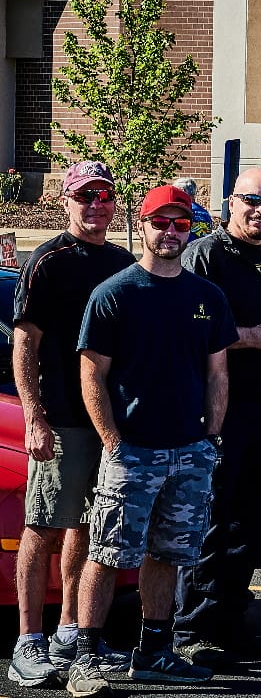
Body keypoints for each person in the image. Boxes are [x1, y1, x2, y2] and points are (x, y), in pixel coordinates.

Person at [64, 185, 232, 693]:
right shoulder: (115, 294)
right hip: (131, 450)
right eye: (161, 222)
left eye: (180, 224)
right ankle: (87, 656)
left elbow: (218, 374)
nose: (170, 232)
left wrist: (211, 438)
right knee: (109, 551)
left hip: (190, 451)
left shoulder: (206, 297)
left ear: (190, 230)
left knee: (169, 554)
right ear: (142, 225)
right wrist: (111, 439)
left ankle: (155, 650)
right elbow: (91, 375)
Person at [9, 162, 136, 687]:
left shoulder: (125, 262)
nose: (96, 205)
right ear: (66, 201)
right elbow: (24, 343)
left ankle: (67, 629)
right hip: (62, 420)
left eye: (104, 196)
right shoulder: (48, 260)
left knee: (86, 528)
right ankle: (27, 640)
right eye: (85, 196)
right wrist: (35, 418)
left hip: (111, 423)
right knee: (42, 528)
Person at [175, 169, 261, 666]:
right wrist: (255, 336)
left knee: (247, 521)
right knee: (211, 519)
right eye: (251, 200)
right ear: (231, 201)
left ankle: (229, 622)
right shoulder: (205, 254)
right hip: (217, 412)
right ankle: (191, 630)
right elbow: (187, 328)